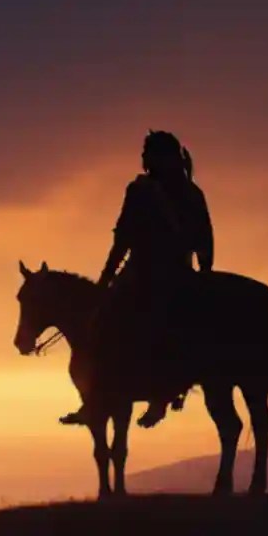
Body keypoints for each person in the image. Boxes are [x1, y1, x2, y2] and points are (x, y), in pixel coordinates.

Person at [60, 130, 214, 428]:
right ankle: (160, 393)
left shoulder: (141, 191)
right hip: (181, 273)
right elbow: (205, 239)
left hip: (145, 275)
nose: (144, 160)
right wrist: (205, 277)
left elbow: (123, 239)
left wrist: (105, 279)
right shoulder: (191, 192)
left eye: (149, 154)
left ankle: (98, 398)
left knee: (101, 325)